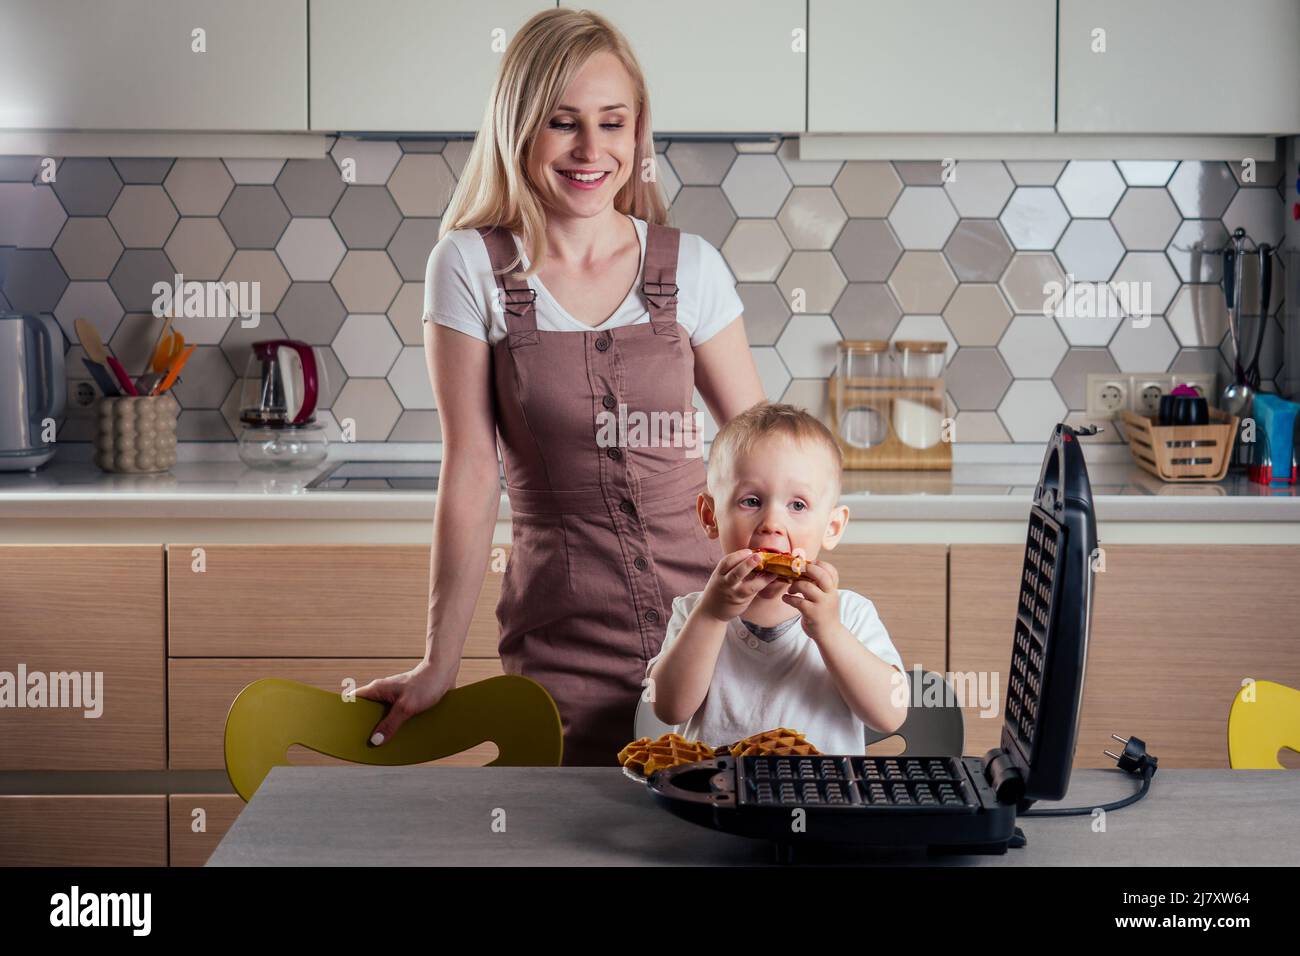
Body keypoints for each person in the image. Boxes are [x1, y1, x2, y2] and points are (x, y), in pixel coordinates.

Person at [356, 8, 765, 765]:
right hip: (565, 644)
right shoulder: (470, 266)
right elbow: (473, 471)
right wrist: (440, 660)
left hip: (712, 629)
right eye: (562, 122)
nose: (591, 150)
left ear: (639, 131)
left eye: (613, 124)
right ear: (519, 129)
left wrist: (787, 611)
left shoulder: (693, 266)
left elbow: (763, 455)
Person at [646, 402, 908, 754]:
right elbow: (668, 708)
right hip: (718, 803)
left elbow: (890, 715)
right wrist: (711, 616)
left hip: (822, 804)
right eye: (751, 501)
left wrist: (829, 631)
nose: (771, 522)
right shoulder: (695, 611)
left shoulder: (850, 613)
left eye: (797, 505)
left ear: (832, 527)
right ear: (710, 516)